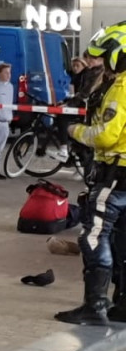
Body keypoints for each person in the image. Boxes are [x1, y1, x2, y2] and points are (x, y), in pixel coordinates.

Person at [58, 25, 126, 326]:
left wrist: (74, 131)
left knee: (94, 234)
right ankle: (122, 304)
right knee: (123, 238)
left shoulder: (122, 88)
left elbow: (106, 135)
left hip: (116, 174)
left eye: (104, 56)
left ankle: (94, 306)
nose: (100, 62)